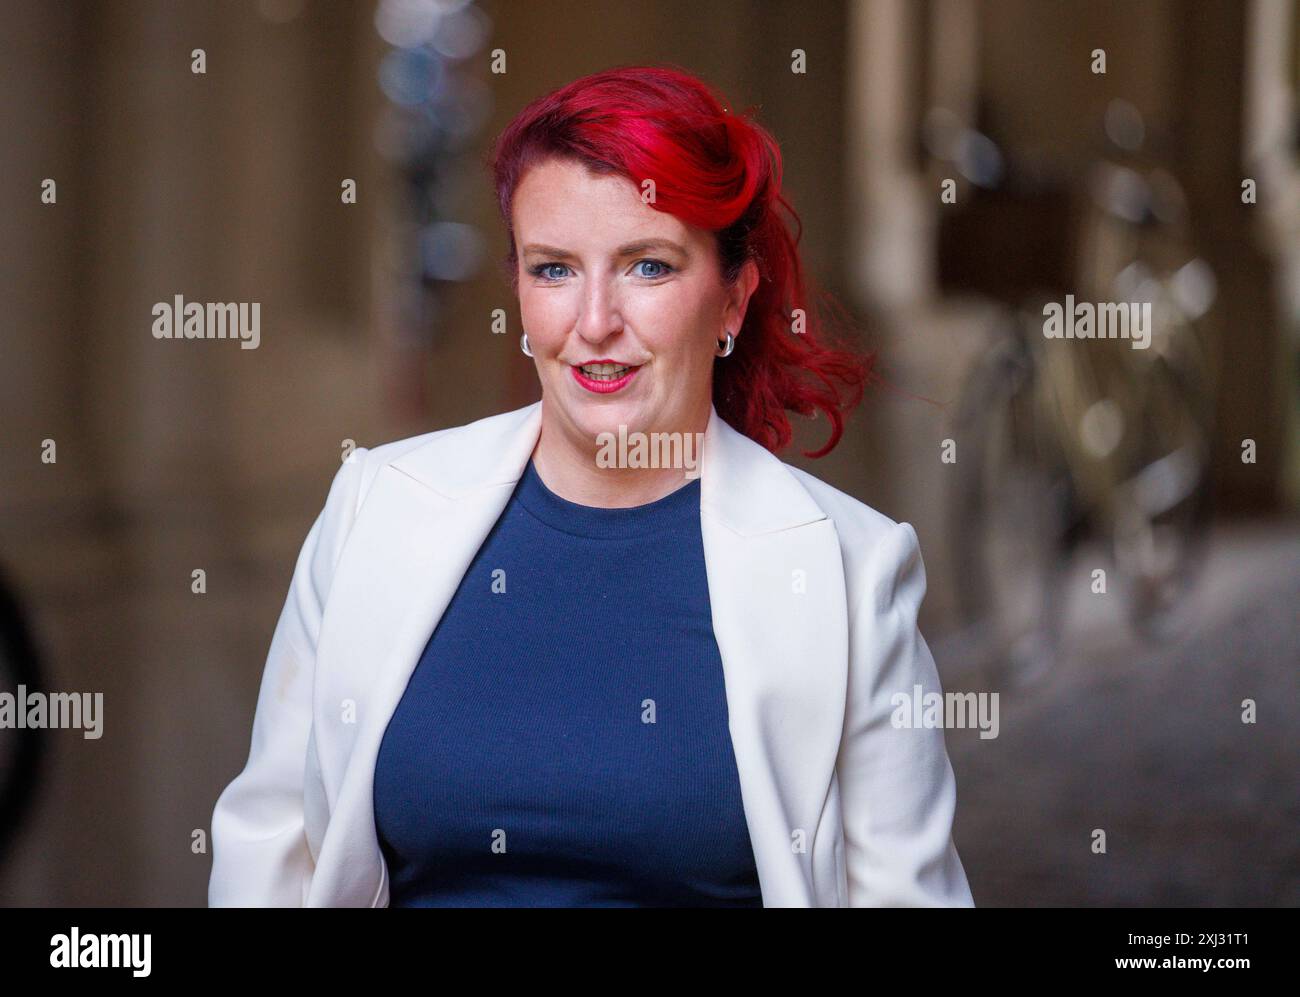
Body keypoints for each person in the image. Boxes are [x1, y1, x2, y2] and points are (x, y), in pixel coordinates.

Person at [208, 64, 974, 907]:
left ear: (732, 301)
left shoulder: (850, 571)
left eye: (647, 267)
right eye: (554, 269)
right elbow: (270, 859)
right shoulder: (374, 507)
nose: (596, 320)